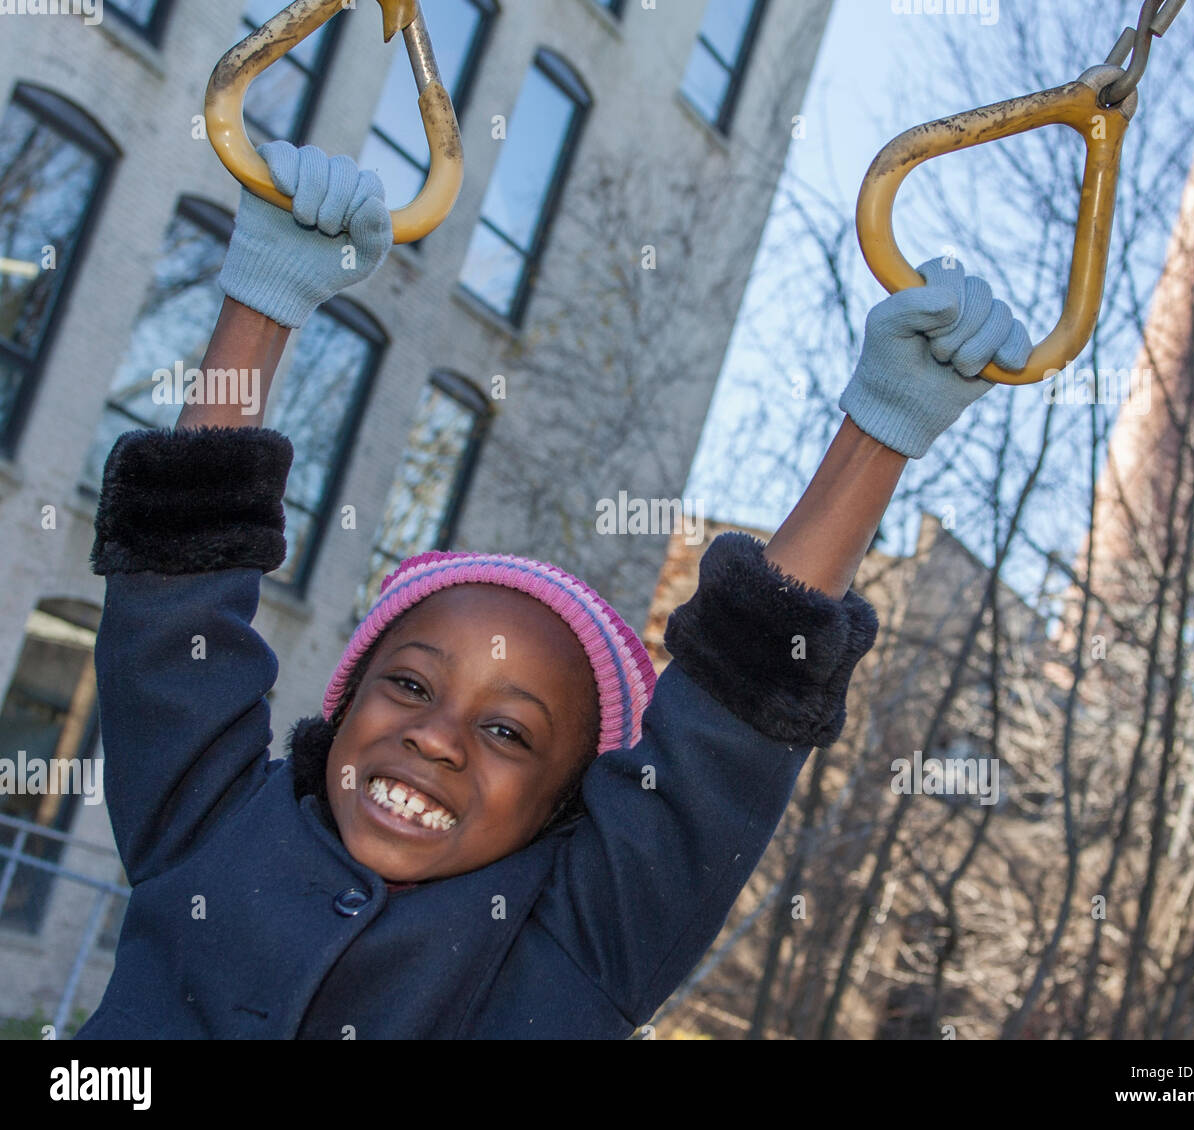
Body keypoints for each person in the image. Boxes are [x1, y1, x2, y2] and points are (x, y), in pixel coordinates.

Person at [75, 142, 1030, 1039]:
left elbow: (730, 728)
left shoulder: (580, 948)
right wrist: (263, 299)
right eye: (408, 684)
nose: (435, 737)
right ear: (348, 698)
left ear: (568, 804)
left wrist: (883, 427)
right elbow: (176, 595)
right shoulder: (212, 825)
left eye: (509, 733)